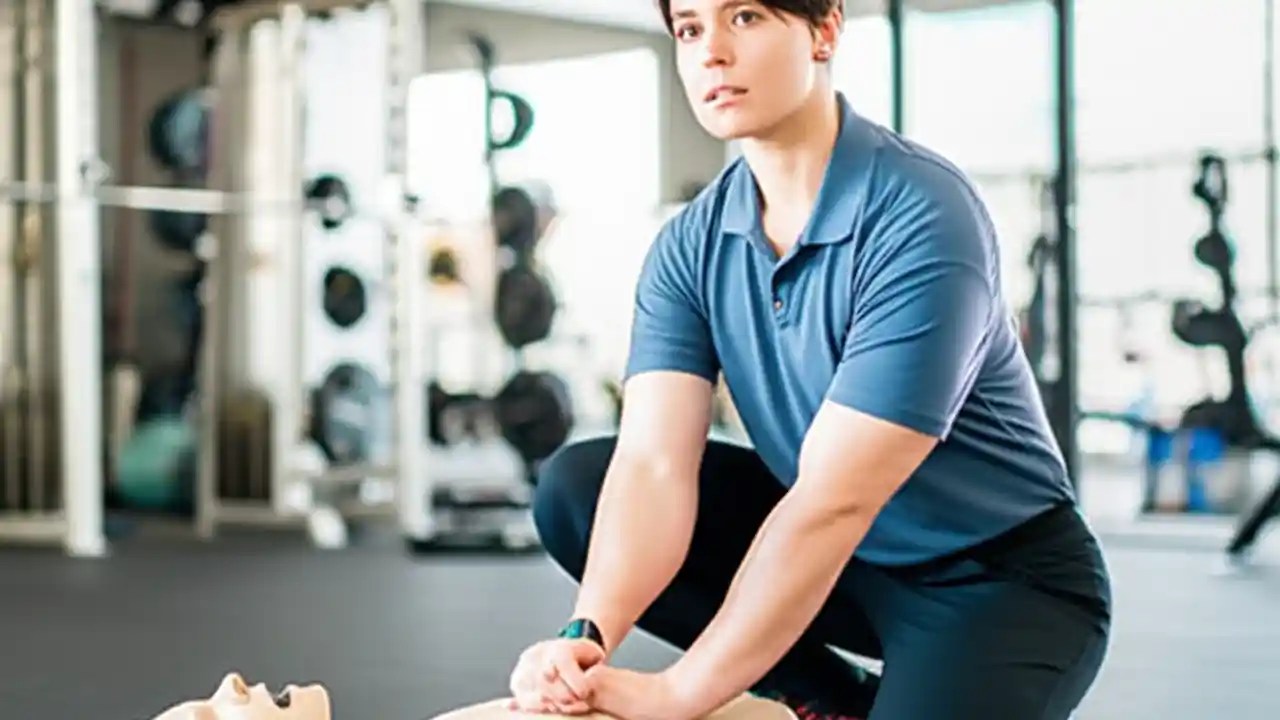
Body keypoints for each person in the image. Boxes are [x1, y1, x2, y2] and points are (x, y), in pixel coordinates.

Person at [508, 1, 1112, 719]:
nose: (712, 53)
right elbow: (652, 466)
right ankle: (829, 699)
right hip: (849, 570)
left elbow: (833, 499)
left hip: (997, 580)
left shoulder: (922, 213)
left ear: (824, 29)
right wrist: (586, 638)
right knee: (578, 485)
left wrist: (680, 692)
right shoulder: (691, 246)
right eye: (691, 29)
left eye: (747, 18)